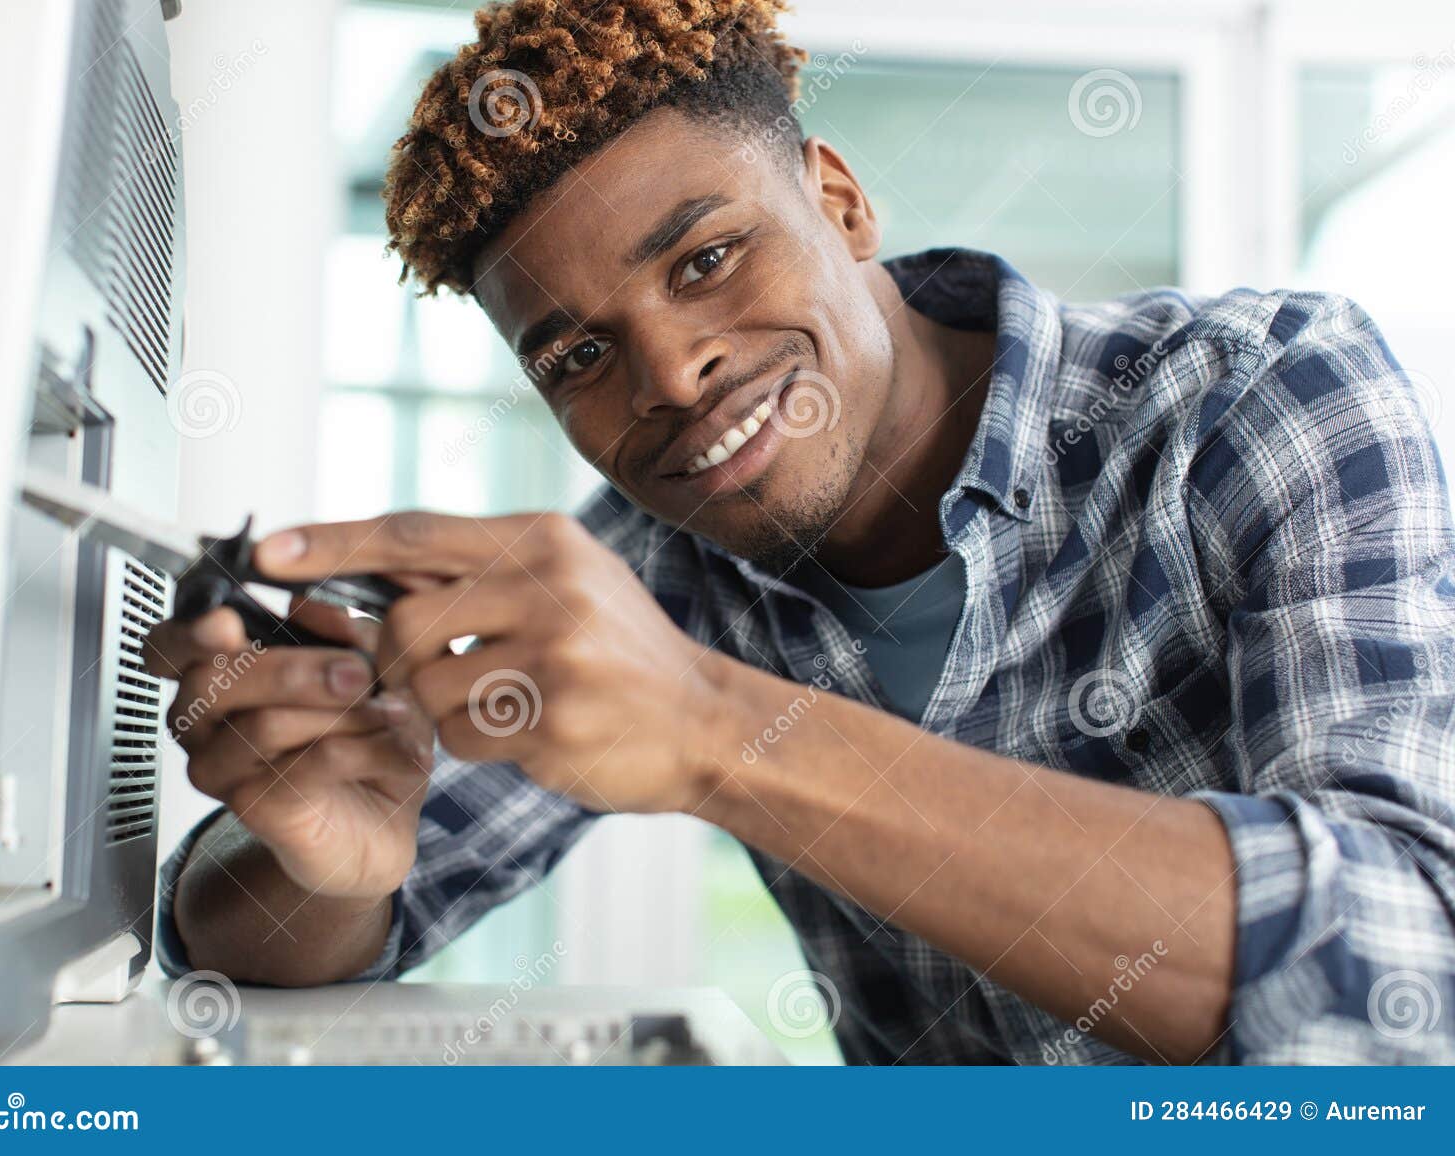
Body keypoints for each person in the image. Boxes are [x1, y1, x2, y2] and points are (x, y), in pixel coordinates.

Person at [145, 0, 1455, 1064]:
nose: (669, 374)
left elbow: (1410, 976)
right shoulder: (645, 576)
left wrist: (718, 732)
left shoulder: (1256, 394)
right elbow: (230, 944)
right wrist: (322, 856)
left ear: (838, 203)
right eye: (580, 353)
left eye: (707, 260)